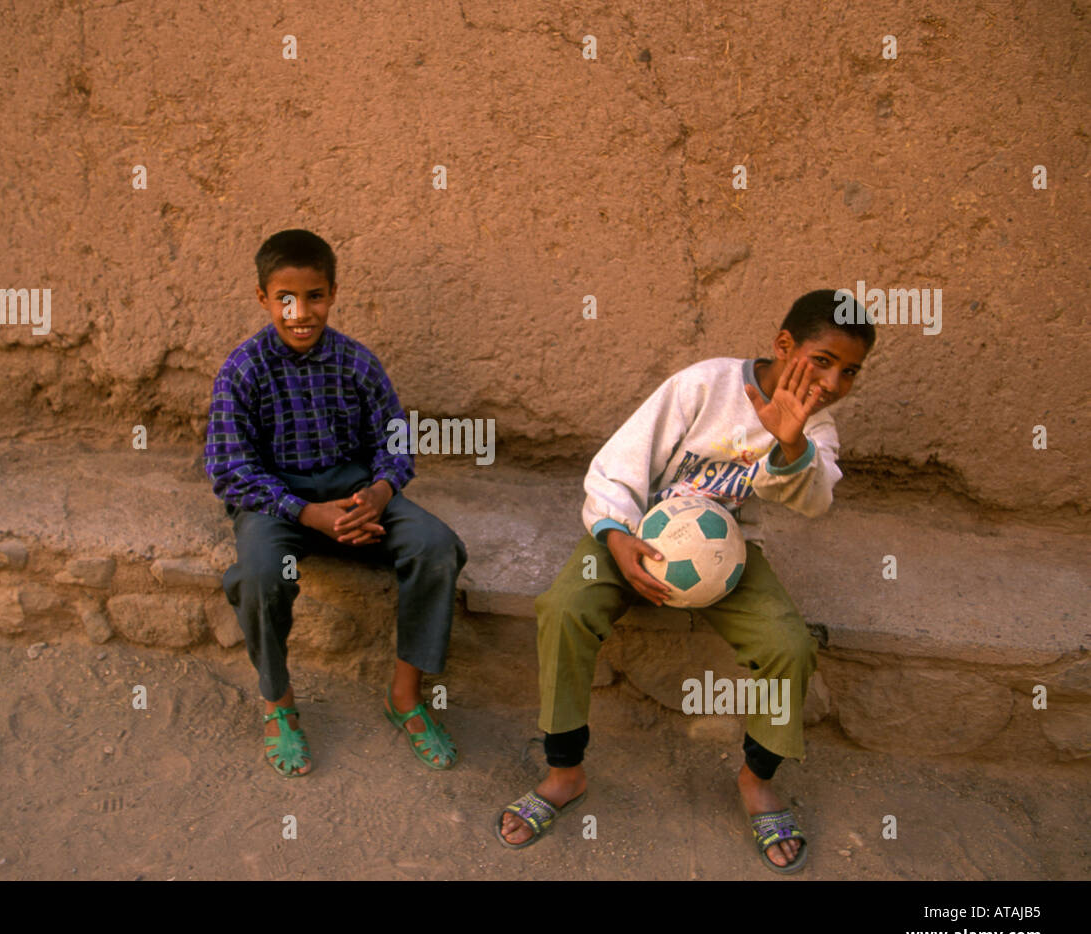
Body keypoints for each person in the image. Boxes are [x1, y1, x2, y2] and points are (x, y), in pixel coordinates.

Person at [495, 289, 875, 873]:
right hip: (637, 532)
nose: (831, 382)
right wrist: (615, 536)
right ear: (784, 345)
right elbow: (619, 463)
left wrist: (789, 441)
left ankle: (757, 780)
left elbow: (815, 498)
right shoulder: (705, 385)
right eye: (821, 360)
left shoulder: (815, 428)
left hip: (727, 554)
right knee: (566, 606)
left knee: (789, 647)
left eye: (849, 372)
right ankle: (564, 771)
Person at [204, 229, 467, 778]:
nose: (301, 313)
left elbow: (396, 447)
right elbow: (230, 472)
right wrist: (307, 514)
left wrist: (378, 493)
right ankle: (279, 704)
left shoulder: (357, 363)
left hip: (355, 495)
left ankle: (405, 696)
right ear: (263, 299)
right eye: (285, 299)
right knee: (259, 573)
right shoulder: (243, 370)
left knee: (435, 547)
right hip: (276, 504)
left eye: (315, 296)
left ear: (333, 293)